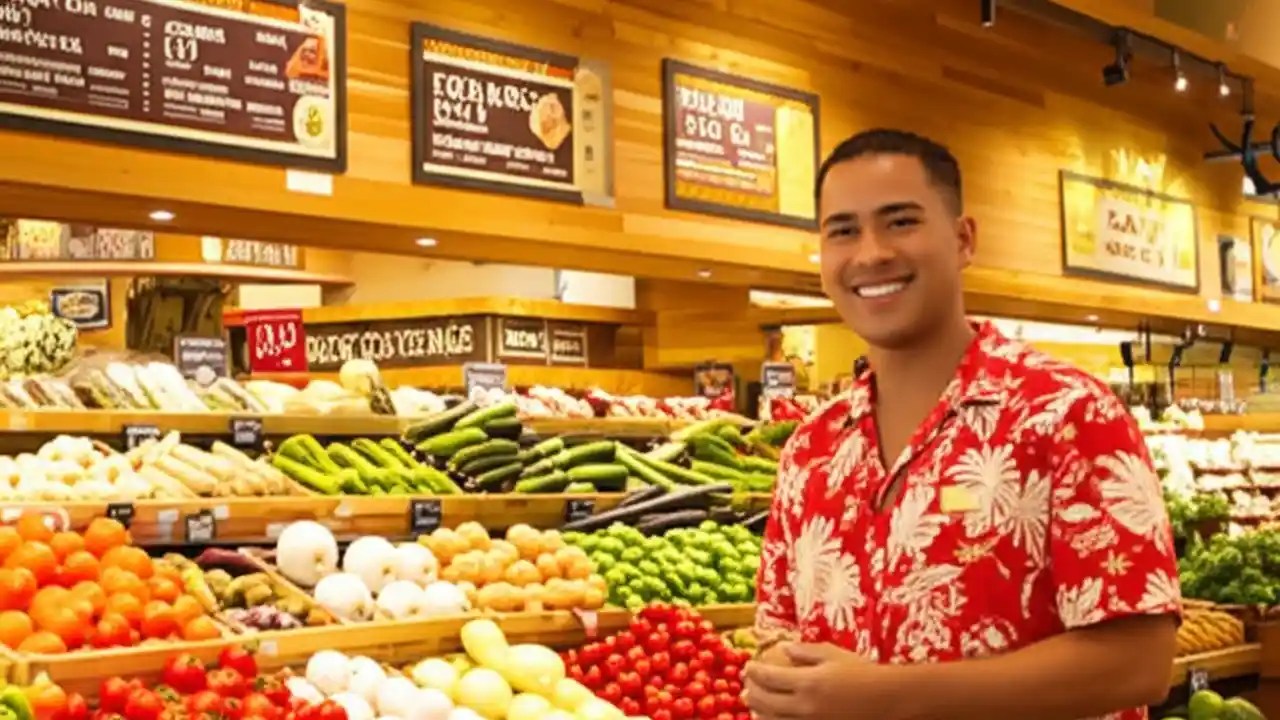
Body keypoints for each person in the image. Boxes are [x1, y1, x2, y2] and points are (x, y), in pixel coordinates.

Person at [744, 129, 1180, 720]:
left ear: (963, 238)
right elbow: (780, 639)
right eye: (843, 230)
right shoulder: (809, 451)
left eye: (900, 221)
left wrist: (883, 697)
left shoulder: (1068, 414)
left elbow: (1139, 662)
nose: (870, 252)